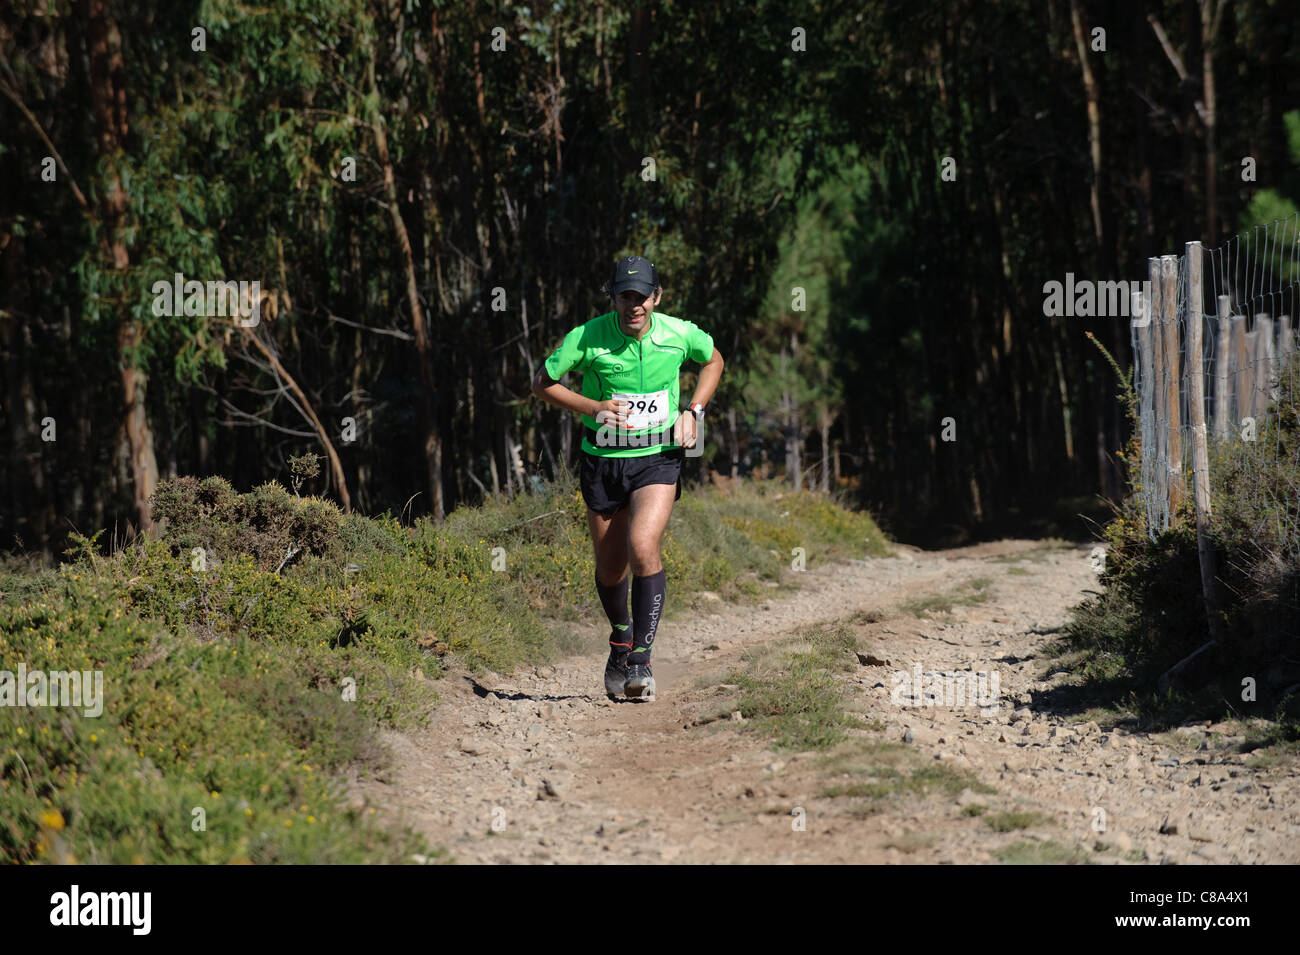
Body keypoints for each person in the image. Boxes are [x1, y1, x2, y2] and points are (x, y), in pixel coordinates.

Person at [531, 255, 724, 700]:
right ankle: (621, 637)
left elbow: (713, 360)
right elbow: (541, 382)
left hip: (658, 457)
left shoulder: (679, 334)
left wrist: (694, 410)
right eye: (625, 296)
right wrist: (591, 407)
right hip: (603, 461)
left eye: (642, 296)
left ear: (656, 297)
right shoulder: (587, 336)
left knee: (643, 545)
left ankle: (641, 658)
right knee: (610, 567)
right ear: (613, 298)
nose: (633, 305)